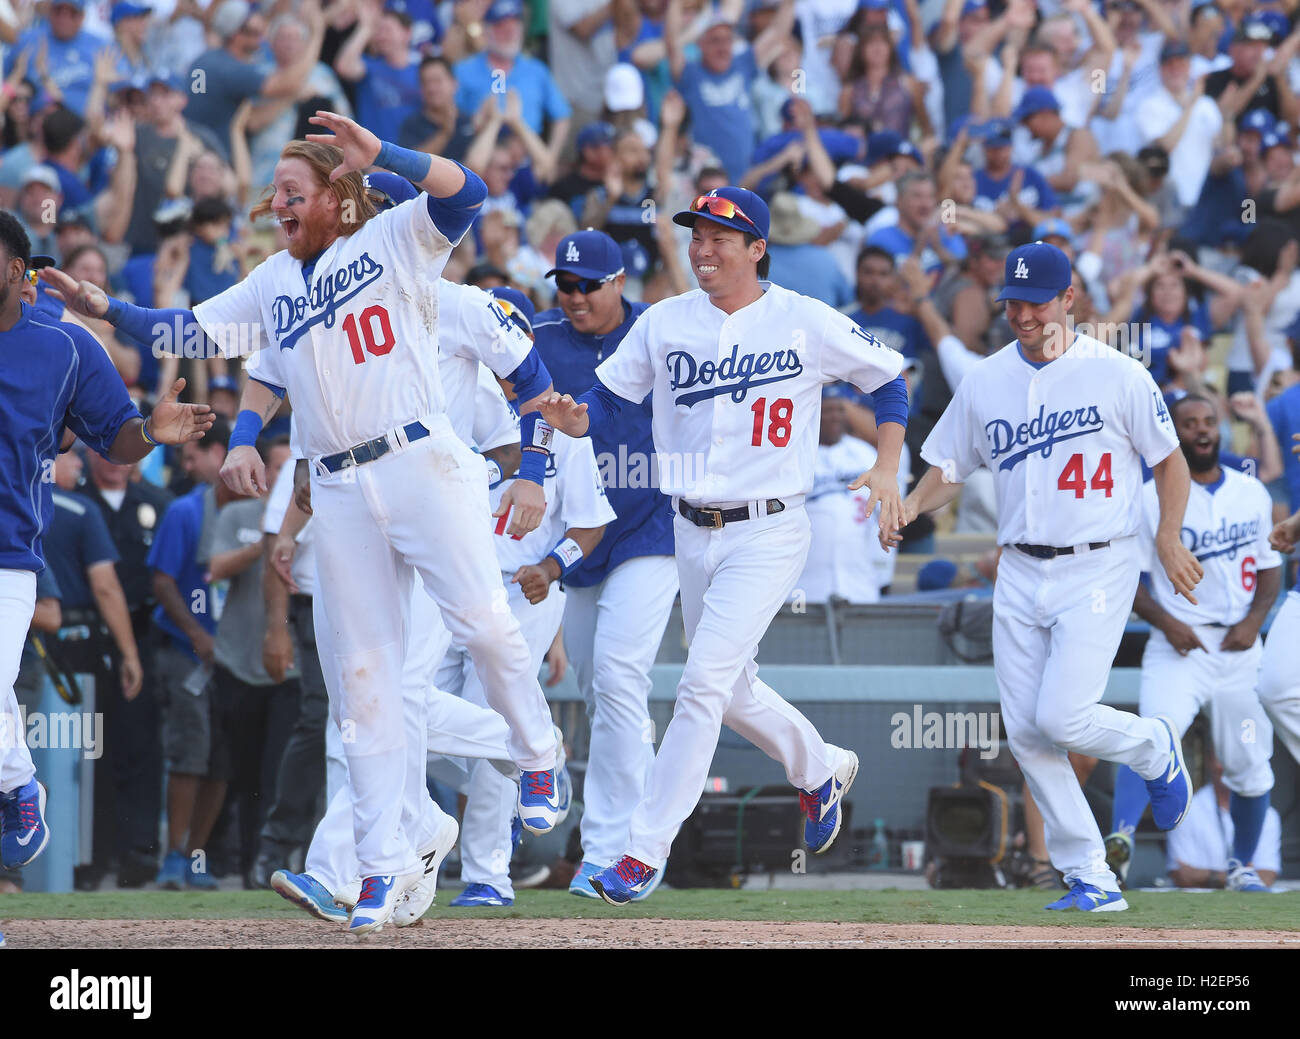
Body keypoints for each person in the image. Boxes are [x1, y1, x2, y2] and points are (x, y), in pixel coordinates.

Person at [46, 125, 567, 934]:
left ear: (336, 193)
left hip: (420, 458)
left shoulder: (394, 236)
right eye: (276, 189)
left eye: (296, 189)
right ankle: (379, 870)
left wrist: (386, 156)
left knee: (486, 626)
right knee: (362, 686)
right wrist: (105, 308)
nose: (280, 201)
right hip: (340, 484)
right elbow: (184, 331)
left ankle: (539, 756)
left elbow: (468, 193)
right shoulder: (273, 281)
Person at [540, 186, 908, 904]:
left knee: (701, 683)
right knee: (731, 688)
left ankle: (642, 852)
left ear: (757, 248)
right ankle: (820, 766)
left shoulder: (803, 318)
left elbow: (891, 380)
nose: (702, 250)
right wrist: (574, 420)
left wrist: (888, 465)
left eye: (719, 238)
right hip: (689, 527)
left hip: (771, 525)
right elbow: (610, 403)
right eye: (696, 236)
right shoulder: (666, 322)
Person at [888, 241, 1203, 912]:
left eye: (1035, 302)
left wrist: (1168, 535)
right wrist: (914, 502)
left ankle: (1153, 745)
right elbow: (950, 463)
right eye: (1013, 302)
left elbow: (1169, 462)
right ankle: (1092, 874)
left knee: (1062, 715)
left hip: (1100, 558)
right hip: (1019, 565)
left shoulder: (1118, 373)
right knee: (1028, 733)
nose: (1022, 314)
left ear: (1069, 300)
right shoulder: (986, 377)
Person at [1, 208, 211, 878]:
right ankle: (16, 783)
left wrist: (150, 430)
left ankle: (16, 786)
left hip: (7, 557)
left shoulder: (64, 343)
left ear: (14, 268)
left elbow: (113, 433)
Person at [529, 228, 679, 900]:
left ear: (620, 282)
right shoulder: (538, 338)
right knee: (594, 690)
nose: (576, 295)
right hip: (575, 537)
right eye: (565, 283)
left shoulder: (661, 330)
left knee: (620, 677)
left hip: (651, 525)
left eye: (589, 284)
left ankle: (618, 849)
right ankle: (610, 837)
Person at [1103, 394, 1280, 893]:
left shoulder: (1252, 492)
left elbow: (1271, 571)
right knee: (1152, 738)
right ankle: (1120, 842)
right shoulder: (1147, 496)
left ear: (1219, 429)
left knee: (1248, 758)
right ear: (1173, 433)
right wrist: (1166, 622)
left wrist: (1255, 621)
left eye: (1209, 421)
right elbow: (1129, 580)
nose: (1201, 430)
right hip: (1178, 645)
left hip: (1239, 648)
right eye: (1190, 423)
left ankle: (1243, 865)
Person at [144, 418, 232, 890]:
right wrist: (198, 635)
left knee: (221, 760)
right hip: (186, 653)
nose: (188, 464)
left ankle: (196, 857)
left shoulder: (256, 511)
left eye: (194, 455)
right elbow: (162, 581)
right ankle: (174, 856)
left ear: (220, 453)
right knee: (189, 753)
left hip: (233, 659)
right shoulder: (184, 510)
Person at [1166, 756, 1282, 889]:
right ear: (1209, 761)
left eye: (1235, 758)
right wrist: (1242, 878)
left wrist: (1210, 877)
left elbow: (1267, 876)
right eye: (1221, 757)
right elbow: (1182, 876)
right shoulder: (1187, 810)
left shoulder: (1269, 815)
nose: (1228, 766)